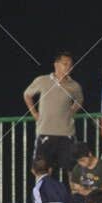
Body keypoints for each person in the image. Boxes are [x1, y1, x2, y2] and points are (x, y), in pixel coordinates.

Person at [22, 51, 85, 181]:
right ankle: (44, 199)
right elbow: (27, 95)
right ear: (56, 65)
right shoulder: (42, 80)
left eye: (71, 65)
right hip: (45, 132)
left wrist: (71, 111)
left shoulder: (75, 85)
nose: (68, 67)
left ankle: (75, 199)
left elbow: (79, 101)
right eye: (65, 64)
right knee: (42, 169)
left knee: (73, 170)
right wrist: (34, 113)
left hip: (66, 133)